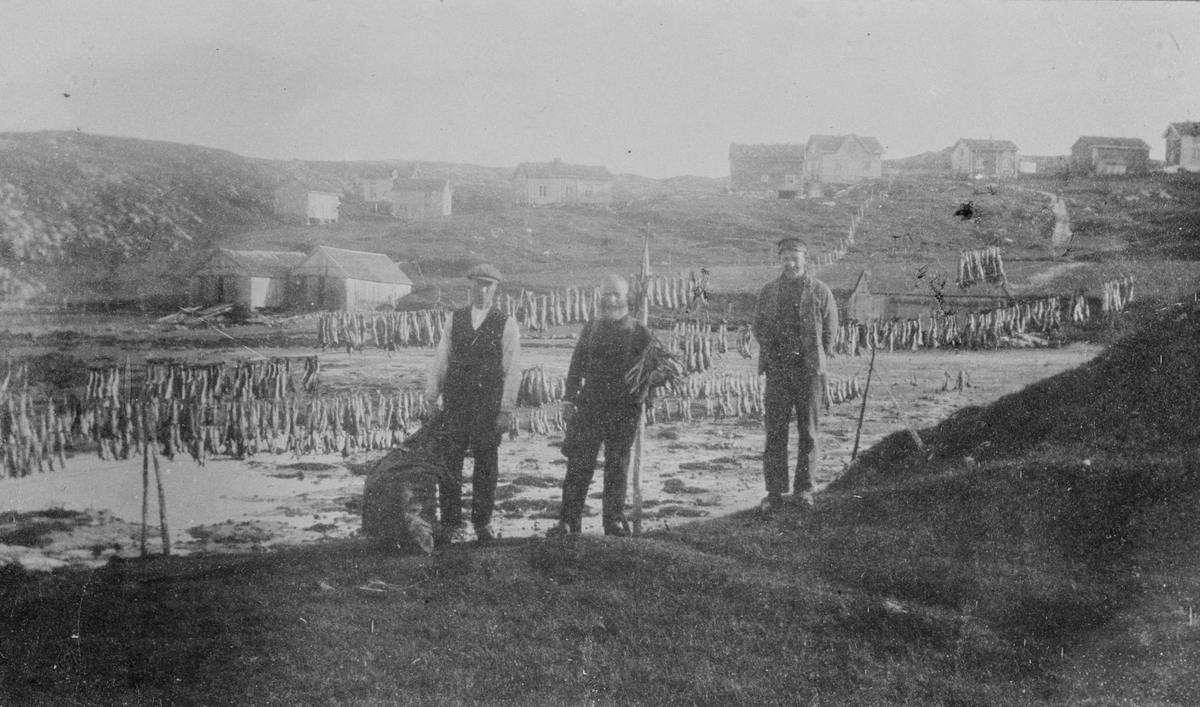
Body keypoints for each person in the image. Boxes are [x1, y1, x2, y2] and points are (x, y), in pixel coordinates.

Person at [548, 274, 653, 537]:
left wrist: (644, 401)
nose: (610, 298)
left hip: (624, 409)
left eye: (616, 294)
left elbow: (651, 372)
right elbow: (576, 365)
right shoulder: (591, 328)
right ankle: (569, 521)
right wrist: (569, 398)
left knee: (617, 465)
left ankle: (613, 521)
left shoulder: (638, 331)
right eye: (606, 293)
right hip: (591, 405)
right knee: (578, 464)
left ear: (626, 297)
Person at [425, 263, 520, 546]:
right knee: (450, 463)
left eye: (488, 285)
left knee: (486, 464)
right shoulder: (455, 319)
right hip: (455, 403)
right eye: (478, 283)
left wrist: (506, 409)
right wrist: (432, 396)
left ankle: (482, 523)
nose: (483, 290)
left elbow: (512, 369)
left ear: (496, 289)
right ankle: (451, 524)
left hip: (487, 406)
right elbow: (441, 359)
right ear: (470, 285)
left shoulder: (506, 323)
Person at [752, 237, 838, 515]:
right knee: (775, 432)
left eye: (795, 259)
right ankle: (774, 492)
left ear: (805, 260)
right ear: (780, 260)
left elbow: (830, 332)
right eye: (785, 259)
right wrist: (773, 351)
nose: (790, 264)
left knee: (809, 432)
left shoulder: (820, 292)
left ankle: (804, 490)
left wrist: (814, 358)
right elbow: (758, 327)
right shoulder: (768, 292)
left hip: (808, 373)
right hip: (778, 371)